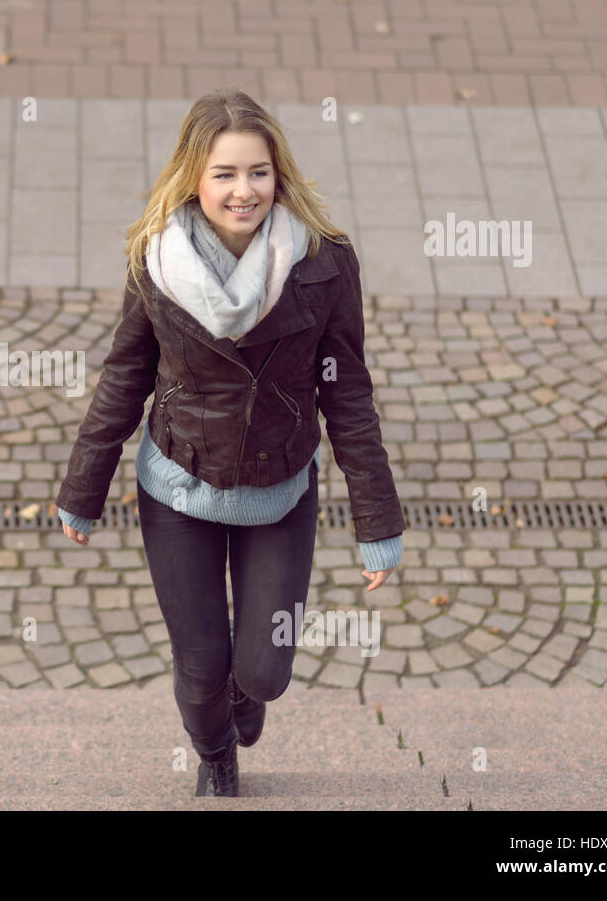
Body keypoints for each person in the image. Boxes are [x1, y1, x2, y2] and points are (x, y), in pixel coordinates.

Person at [54, 88, 405, 798]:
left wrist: (378, 521)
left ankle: (244, 702)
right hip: (179, 487)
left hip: (280, 488)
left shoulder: (324, 262)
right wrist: (82, 489)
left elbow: (348, 394)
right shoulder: (156, 262)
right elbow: (125, 376)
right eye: (224, 174)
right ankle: (215, 752)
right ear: (194, 178)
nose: (243, 190)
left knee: (264, 670)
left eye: (257, 172)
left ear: (278, 175)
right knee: (199, 665)